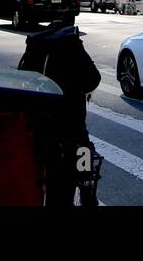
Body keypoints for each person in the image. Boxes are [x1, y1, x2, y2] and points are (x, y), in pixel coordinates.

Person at [18, 14, 102, 205]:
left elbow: (21, 78)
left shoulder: (35, 45)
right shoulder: (72, 45)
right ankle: (88, 194)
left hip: (38, 126)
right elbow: (93, 79)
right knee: (83, 157)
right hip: (70, 126)